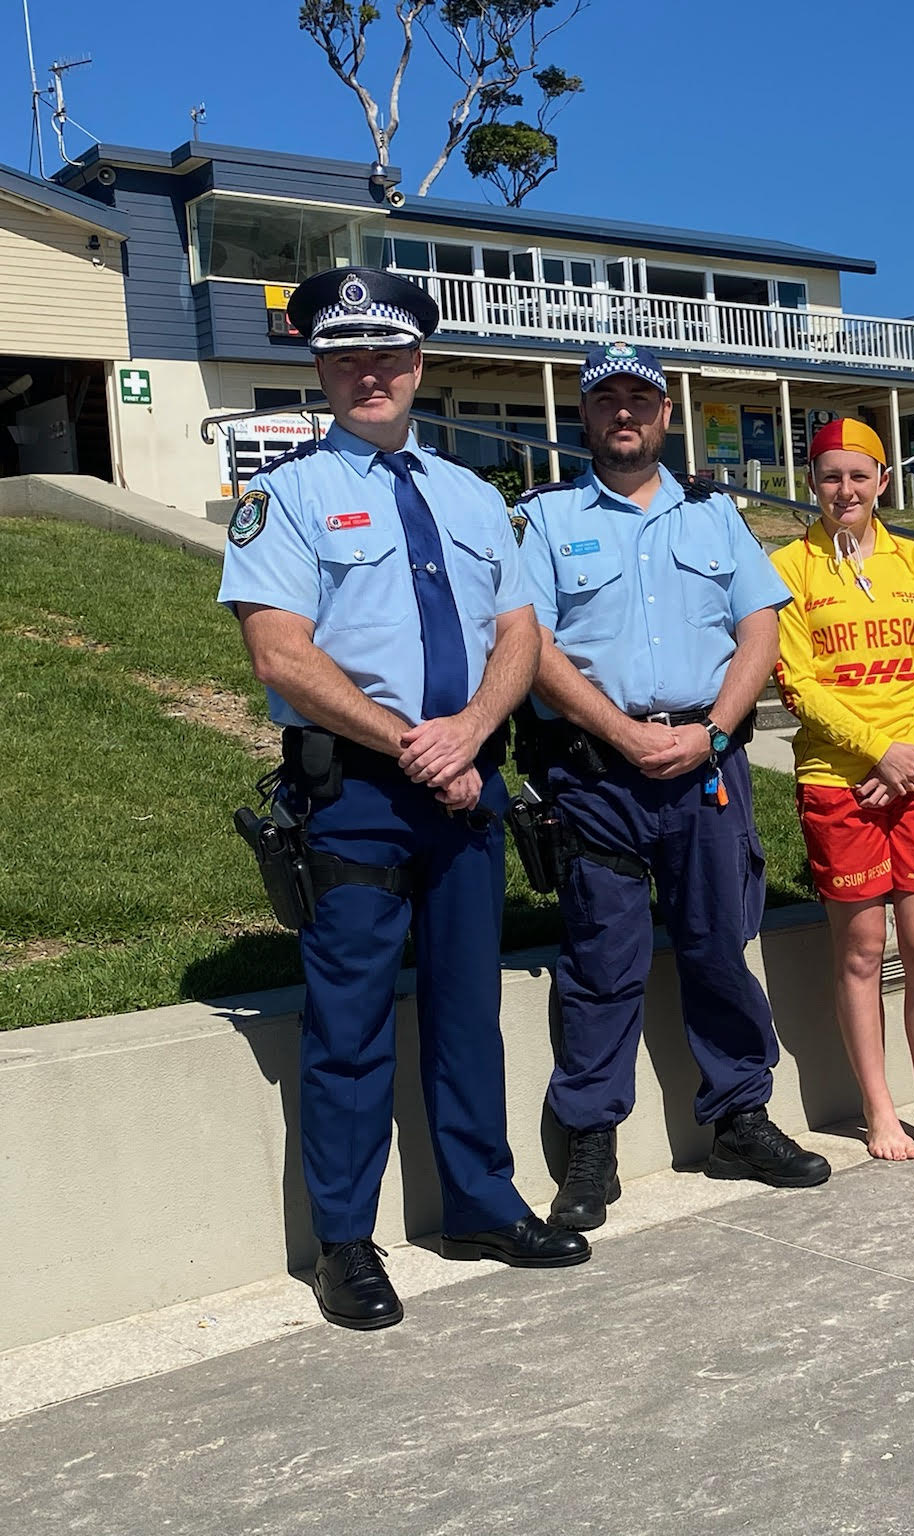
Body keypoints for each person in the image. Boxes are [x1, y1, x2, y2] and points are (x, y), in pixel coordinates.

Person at [218, 266, 589, 1331]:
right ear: (324, 371)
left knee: (469, 1013)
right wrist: (409, 742)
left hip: (467, 787)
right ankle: (345, 1244)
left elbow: (517, 632)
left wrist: (471, 734)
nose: (367, 373)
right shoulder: (280, 498)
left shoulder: (475, 496)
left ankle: (479, 1202)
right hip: (357, 801)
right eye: (345, 357)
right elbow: (281, 656)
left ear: (419, 365)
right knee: (348, 1029)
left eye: (387, 355)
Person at [515, 343, 828, 1230]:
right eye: (606, 400)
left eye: (640, 402)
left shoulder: (715, 516)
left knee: (718, 947)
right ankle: (589, 1144)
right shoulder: (544, 520)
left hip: (709, 765)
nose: (625, 415)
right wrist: (620, 734)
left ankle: (739, 1117)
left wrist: (716, 731)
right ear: (584, 417)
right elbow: (531, 644)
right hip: (596, 773)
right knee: (600, 965)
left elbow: (759, 629)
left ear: (664, 417)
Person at [769, 418, 914, 1161]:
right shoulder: (789, 567)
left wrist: (912, 752)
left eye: (859, 476)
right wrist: (875, 752)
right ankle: (879, 1110)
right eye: (830, 477)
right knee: (861, 950)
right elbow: (796, 678)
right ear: (812, 484)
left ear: (883, 481)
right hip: (840, 780)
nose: (845, 490)